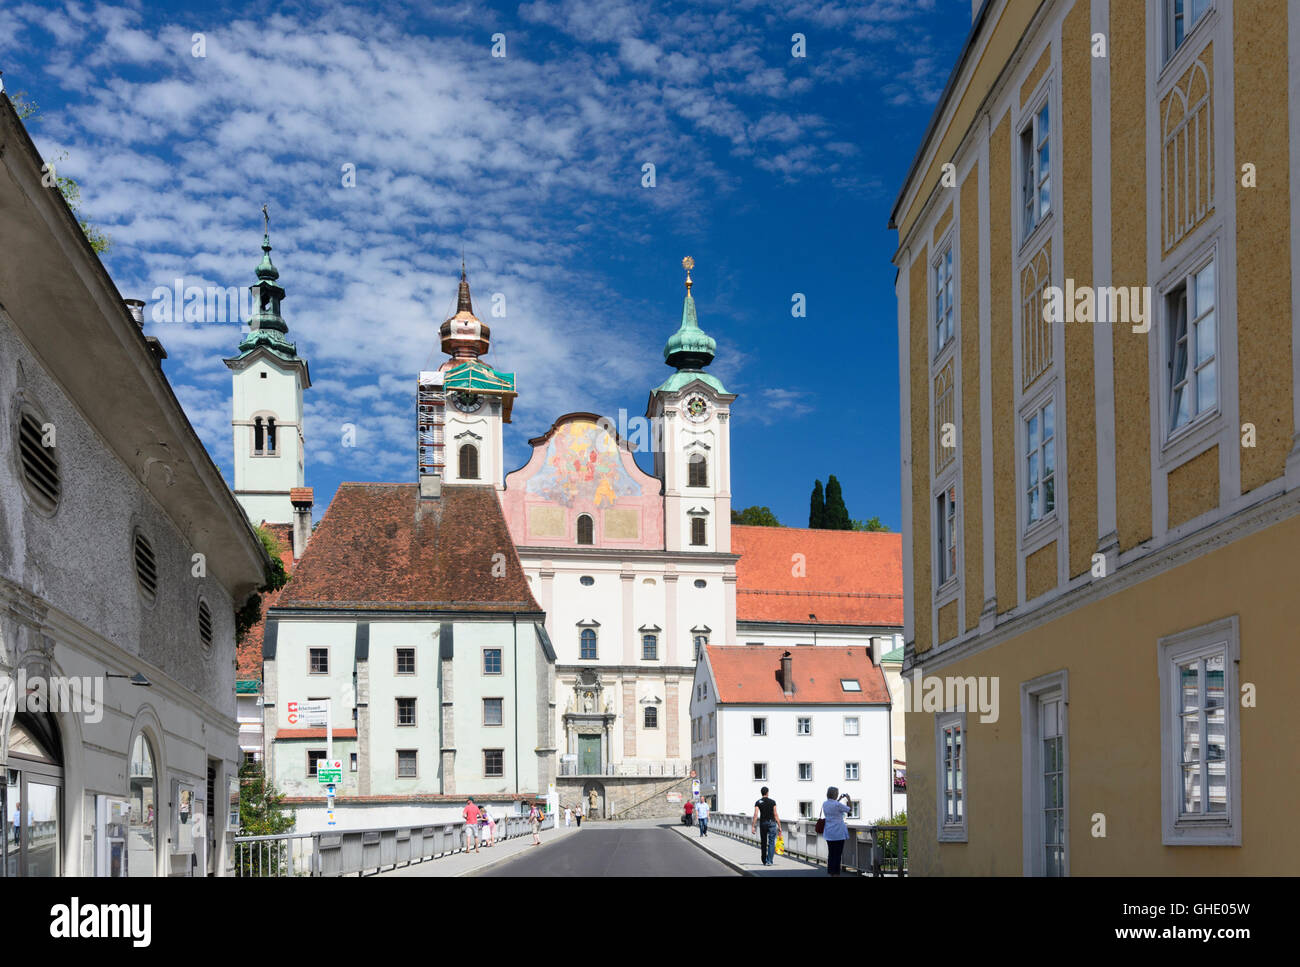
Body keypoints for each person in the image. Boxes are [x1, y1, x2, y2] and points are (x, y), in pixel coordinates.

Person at [820, 787, 852, 876]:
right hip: (838, 833)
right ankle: (836, 873)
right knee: (837, 855)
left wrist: (839, 799)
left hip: (829, 832)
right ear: (835, 794)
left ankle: (831, 872)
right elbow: (849, 809)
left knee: (831, 854)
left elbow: (834, 805)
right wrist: (848, 799)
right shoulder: (837, 805)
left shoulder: (825, 804)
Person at [751, 787, 781, 866]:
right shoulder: (772, 802)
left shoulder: (758, 802)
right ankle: (769, 861)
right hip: (772, 823)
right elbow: (775, 814)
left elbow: (755, 815)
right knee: (771, 842)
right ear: (767, 793)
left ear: (761, 793)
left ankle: (764, 860)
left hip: (763, 823)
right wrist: (779, 826)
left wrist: (753, 826)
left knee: (763, 842)